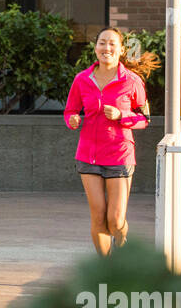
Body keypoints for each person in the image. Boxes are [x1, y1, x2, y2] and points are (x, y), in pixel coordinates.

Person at [63, 27, 158, 256]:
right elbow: (70, 112)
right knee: (98, 217)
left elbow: (144, 120)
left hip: (119, 154)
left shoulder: (132, 81)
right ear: (95, 48)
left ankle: (123, 252)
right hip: (88, 154)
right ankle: (105, 269)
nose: (107, 48)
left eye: (112, 43)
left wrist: (121, 116)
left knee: (115, 221)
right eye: (102, 43)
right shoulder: (82, 80)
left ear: (121, 49)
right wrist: (73, 120)